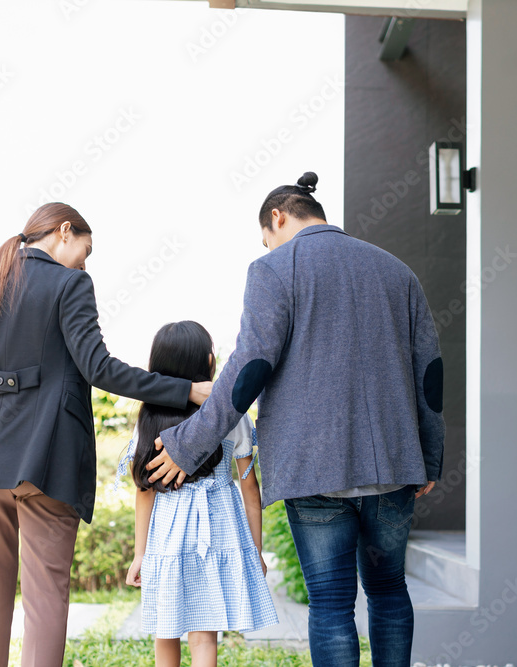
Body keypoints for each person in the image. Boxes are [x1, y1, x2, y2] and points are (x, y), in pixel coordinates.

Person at [144, 172, 445, 667]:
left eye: (267, 237)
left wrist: (188, 443)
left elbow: (249, 368)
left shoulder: (273, 271)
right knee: (390, 591)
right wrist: (429, 457)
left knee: (331, 604)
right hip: (393, 465)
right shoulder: (397, 272)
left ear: (277, 218)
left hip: (314, 469)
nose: (268, 246)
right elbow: (430, 374)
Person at [0, 203, 212, 667]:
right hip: (48, 462)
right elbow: (100, 369)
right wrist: (186, 390)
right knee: (45, 601)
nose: (85, 261)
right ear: (64, 231)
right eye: (86, 249)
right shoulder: (71, 283)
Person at [120, 320, 278, 667]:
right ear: (209, 361)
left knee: (167, 627)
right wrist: (256, 550)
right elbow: (250, 488)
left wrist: (140, 554)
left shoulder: (149, 418)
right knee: (205, 633)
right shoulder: (230, 414)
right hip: (218, 527)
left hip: (167, 534)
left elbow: (144, 491)